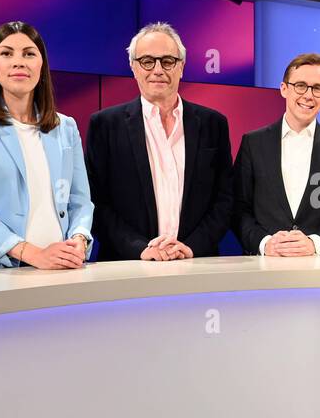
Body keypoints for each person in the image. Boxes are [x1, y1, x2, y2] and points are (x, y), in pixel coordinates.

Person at [0, 21, 93, 270]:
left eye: (29, 53)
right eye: (6, 53)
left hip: (60, 270)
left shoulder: (65, 126)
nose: (18, 62)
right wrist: (32, 254)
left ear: (41, 64)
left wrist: (79, 238)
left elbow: (80, 200)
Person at [84, 22, 234, 260]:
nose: (158, 70)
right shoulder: (105, 125)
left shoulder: (213, 124)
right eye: (147, 61)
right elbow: (96, 202)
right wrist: (140, 249)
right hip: (126, 265)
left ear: (182, 67)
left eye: (168, 61)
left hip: (198, 263)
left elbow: (225, 198)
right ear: (133, 67)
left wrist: (191, 247)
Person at [233, 53, 320, 255]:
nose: (308, 95)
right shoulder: (253, 143)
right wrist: (265, 243)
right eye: (300, 85)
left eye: (317, 88)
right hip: (263, 269)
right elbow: (238, 208)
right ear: (284, 89)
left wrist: (315, 243)